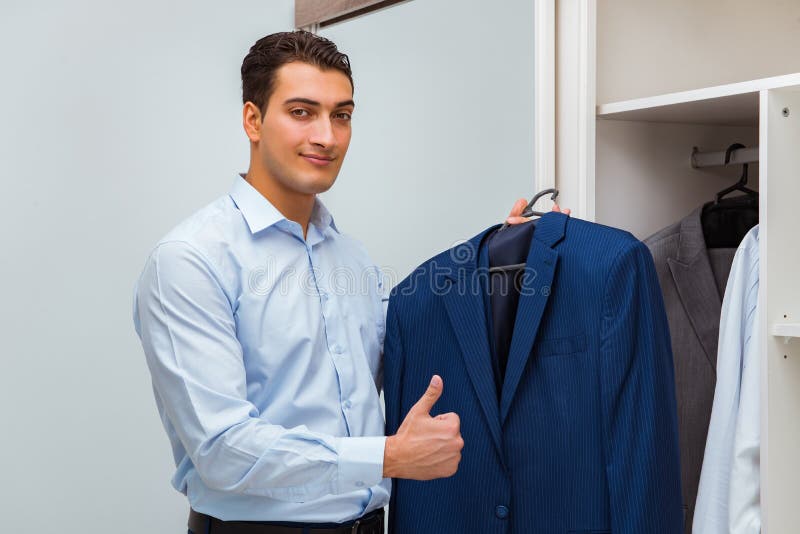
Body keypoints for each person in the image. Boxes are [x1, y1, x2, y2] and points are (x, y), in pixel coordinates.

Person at [132, 30, 568, 534]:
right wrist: (387, 457)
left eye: (341, 115)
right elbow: (222, 450)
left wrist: (498, 255)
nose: (327, 136)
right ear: (253, 119)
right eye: (302, 112)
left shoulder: (352, 259)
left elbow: (414, 350)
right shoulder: (189, 260)